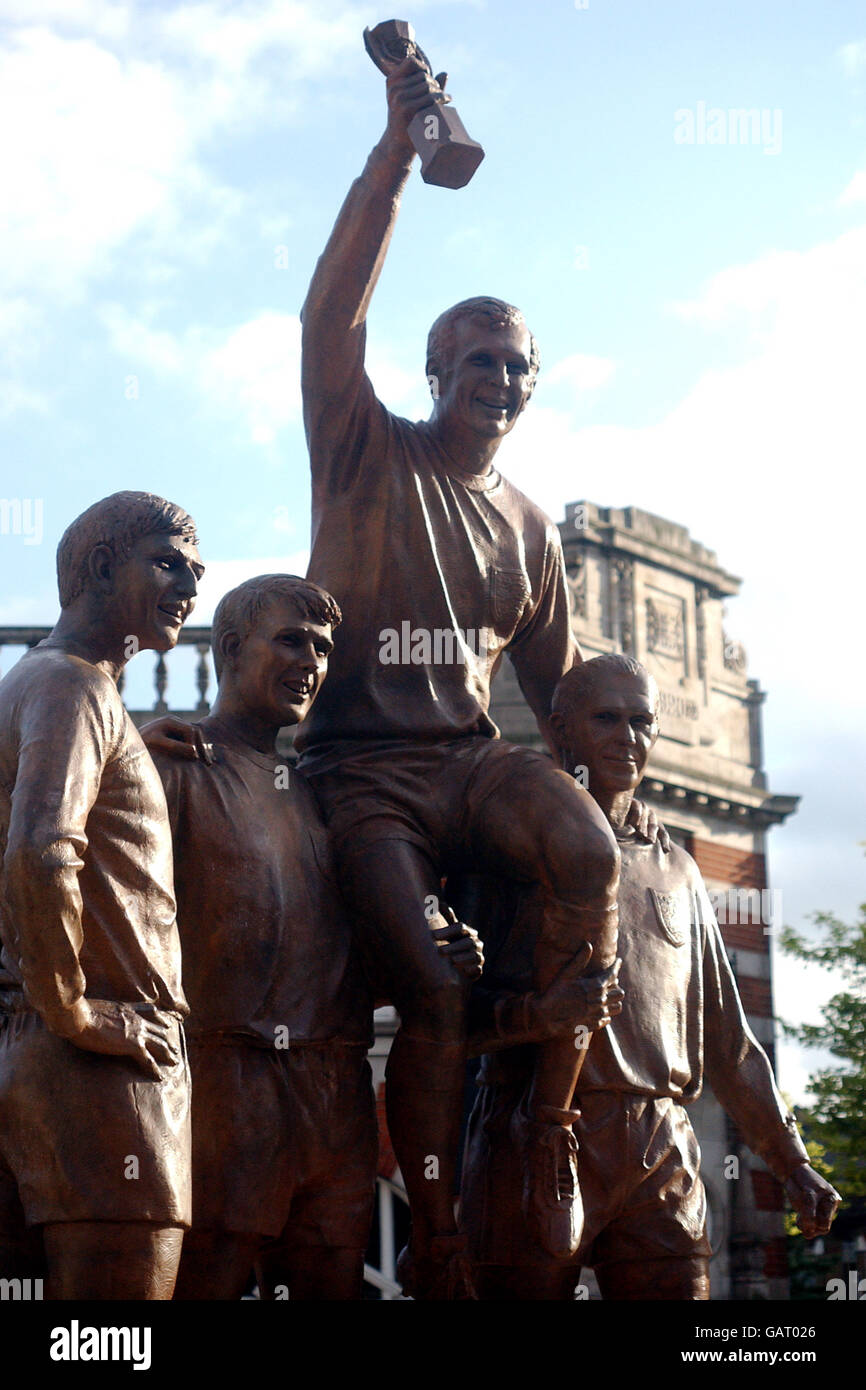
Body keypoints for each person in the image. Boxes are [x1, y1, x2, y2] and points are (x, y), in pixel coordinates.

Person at [294, 53, 643, 1294]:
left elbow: (555, 691)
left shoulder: (533, 526)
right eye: (479, 360)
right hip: (362, 771)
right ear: (437, 373)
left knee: (591, 853)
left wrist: (613, 766)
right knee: (432, 995)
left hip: (468, 761)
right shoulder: (362, 452)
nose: (500, 379)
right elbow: (326, 313)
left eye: (518, 366)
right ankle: (433, 1225)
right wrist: (396, 156)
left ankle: (543, 1111)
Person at [461, 654, 841, 1299]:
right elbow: (440, 1016)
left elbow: (729, 1042)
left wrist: (791, 1159)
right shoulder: (504, 849)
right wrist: (535, 1016)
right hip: (534, 1132)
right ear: (559, 728)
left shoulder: (681, 870)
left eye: (642, 721)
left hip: (661, 1138)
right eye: (606, 718)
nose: (627, 737)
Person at [145, 574, 482, 1300]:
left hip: (337, 1093)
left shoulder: (325, 796)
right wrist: (121, 760)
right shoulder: (170, 767)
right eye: (291, 641)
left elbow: (337, 960)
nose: (310, 662)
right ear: (231, 648)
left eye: (324, 649)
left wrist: (431, 958)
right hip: (220, 1083)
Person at [0, 491, 201, 1299]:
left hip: (39, 1054)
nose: (189, 585)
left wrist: (127, 755)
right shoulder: (74, 688)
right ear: (96, 567)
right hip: (104, 1064)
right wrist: (77, 1009)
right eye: (167, 561)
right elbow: (41, 854)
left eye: (195, 569)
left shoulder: (46, 687)